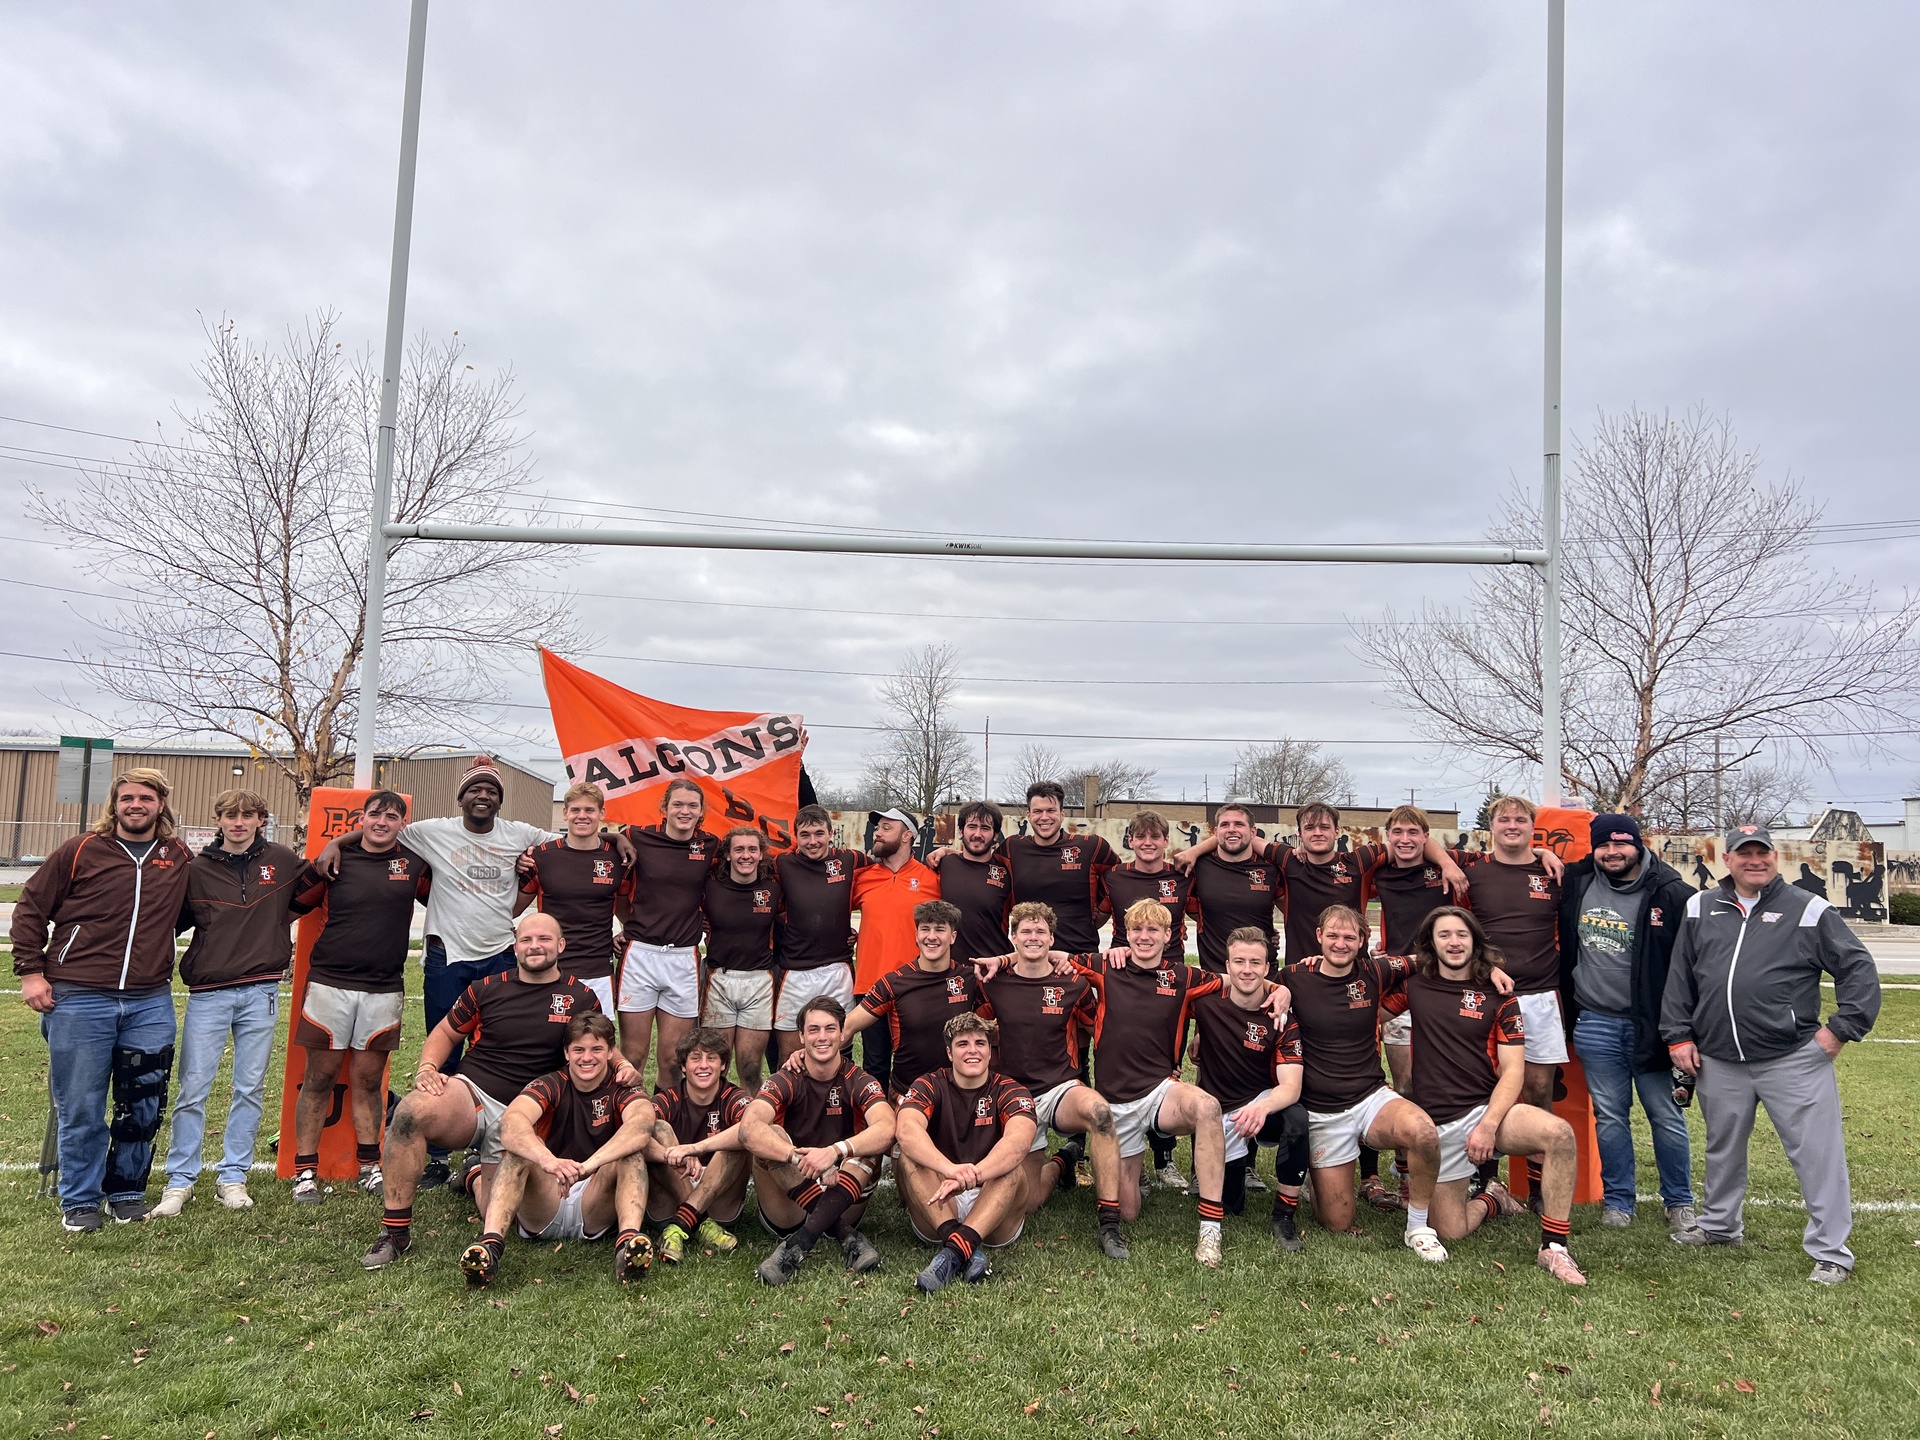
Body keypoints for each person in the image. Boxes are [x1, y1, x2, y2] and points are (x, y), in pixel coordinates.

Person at [316, 755, 579, 1189]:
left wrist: (618, 840)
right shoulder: (432, 831)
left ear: (499, 801)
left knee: (501, 1052)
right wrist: (336, 844)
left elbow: (569, 841)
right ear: (462, 797)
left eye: (492, 791)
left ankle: (495, 1142)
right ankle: (437, 1152)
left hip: (500, 956)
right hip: (447, 956)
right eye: (476, 789)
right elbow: (381, 831)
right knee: (446, 1051)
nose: (483, 796)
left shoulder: (520, 834)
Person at [1662, 824, 1882, 1284]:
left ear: (1775, 857)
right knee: (1721, 1149)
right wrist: (1678, 1035)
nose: (1754, 861)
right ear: (1728, 860)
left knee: (1817, 1154)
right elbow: (1681, 976)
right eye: (1744, 854)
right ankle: (1720, 1226)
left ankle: (1830, 1251)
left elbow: (1857, 968)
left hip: (1792, 1058)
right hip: (1719, 1058)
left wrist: (1841, 1029)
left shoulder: (1807, 908)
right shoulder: (1700, 907)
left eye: (1762, 853)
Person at [360, 910, 604, 1269]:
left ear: (561, 946)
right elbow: (445, 1032)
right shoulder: (487, 988)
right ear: (515, 945)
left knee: (502, 1213)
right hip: (476, 1092)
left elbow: (598, 1047)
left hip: (533, 1110)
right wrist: (428, 1067)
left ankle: (474, 1174)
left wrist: (624, 1067)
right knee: (412, 1113)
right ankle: (395, 1232)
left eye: (544, 939)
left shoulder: (581, 996)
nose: (534, 946)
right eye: (526, 939)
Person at [12, 769, 196, 1230]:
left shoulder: (177, 857)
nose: (137, 805)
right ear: (114, 804)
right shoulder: (79, 851)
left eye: (146, 798)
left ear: (161, 804)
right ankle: (80, 1200)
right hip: (78, 999)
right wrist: (31, 973)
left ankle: (127, 1191)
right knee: (82, 1105)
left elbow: (194, 913)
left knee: (144, 1103)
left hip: (149, 1002)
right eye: (127, 797)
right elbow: (31, 908)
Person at [1081, 900, 1287, 1267]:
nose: (1145, 936)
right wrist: (1000, 962)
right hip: (1115, 1102)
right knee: (1128, 1211)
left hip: (1161, 1092)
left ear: (1170, 935)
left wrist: (1280, 989)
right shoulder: (1104, 966)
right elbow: (1055, 958)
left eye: (1153, 930)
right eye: (1137, 929)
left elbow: (1239, 978)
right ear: (1126, 934)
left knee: (1206, 1107)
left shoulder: (1183, 976)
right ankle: (1121, 1166)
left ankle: (1210, 1228)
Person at [1404, 906, 1586, 1285]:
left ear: (1475, 942)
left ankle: (1554, 1248)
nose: (1454, 942)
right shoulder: (1413, 985)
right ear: (1430, 942)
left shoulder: (1501, 996)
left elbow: (1514, 1072)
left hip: (1489, 1113)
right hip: (1436, 1123)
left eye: (1462, 935)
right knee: (1450, 1229)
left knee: (1559, 1134)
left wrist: (1487, 1127)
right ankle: (1493, 1197)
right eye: (1444, 935)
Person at [155, 789, 310, 1217]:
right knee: (194, 1088)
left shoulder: (282, 860)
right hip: (209, 994)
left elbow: (322, 883)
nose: (238, 822)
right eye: (229, 815)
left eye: (247, 815)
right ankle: (180, 1180)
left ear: (261, 819)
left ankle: (233, 1177)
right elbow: (167, 920)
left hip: (260, 991)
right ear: (218, 820)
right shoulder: (196, 869)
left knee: (250, 1088)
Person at [1281, 904, 1450, 1263]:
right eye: (1333, 935)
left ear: (1362, 940)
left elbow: (1428, 959)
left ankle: (1418, 1226)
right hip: (1322, 1111)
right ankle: (1320, 1179)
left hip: (1370, 1097)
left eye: (1349, 937)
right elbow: (1248, 989)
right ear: (1318, 937)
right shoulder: (1293, 977)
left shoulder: (1375, 970)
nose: (1340, 943)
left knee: (1423, 1132)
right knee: (1338, 1223)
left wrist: (1490, 972)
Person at [285, 789, 431, 1203]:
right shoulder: (334, 861)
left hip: (384, 988)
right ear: (361, 819)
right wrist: (333, 845)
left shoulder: (414, 864)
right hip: (330, 983)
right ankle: (305, 1172)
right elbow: (292, 906)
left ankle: (369, 1166)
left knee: (368, 1081)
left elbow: (450, 900)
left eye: (391, 815)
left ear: (403, 822)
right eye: (374, 814)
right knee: (319, 1079)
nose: (382, 821)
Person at [1557, 812, 1698, 1230]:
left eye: (1621, 844)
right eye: (1604, 845)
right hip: (1596, 1022)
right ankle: (1619, 1202)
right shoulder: (1577, 881)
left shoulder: (1672, 893)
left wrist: (1684, 1029)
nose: (1613, 852)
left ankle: (1679, 1201)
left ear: (1638, 845)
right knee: (1611, 1116)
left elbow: (1693, 965)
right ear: (1593, 848)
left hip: (1654, 1027)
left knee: (1666, 1115)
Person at [974, 901, 1130, 1260]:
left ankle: (1109, 1223)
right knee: (1026, 1203)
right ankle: (1064, 1160)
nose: (1033, 937)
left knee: (1100, 1113)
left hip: (1060, 1088)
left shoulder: (1072, 982)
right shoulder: (994, 983)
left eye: (1040, 931)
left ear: (1051, 937)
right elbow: (977, 1029)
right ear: (1012, 938)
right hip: (1014, 1097)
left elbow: (1098, 1028)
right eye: (1025, 931)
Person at [459, 1012, 656, 1287]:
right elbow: (511, 1125)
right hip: (548, 1197)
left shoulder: (623, 1087)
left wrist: (588, 1166)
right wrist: (549, 1161)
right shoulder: (550, 1083)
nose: (587, 1058)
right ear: (566, 1053)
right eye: (579, 1049)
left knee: (631, 1153)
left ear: (611, 1052)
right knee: (520, 1153)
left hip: (594, 1200)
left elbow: (642, 1125)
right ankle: (490, 1248)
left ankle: (628, 1246)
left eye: (597, 1049)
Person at [741, 996, 896, 1285]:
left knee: (869, 1145)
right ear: (801, 1036)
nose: (821, 1037)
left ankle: (800, 1244)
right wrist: (799, 1158)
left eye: (829, 1028)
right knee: (769, 1135)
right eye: (813, 1030)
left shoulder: (858, 1079)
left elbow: (888, 1128)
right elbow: (748, 1129)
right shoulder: (787, 1077)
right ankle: (844, 1235)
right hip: (791, 1199)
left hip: (843, 1190)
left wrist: (835, 1152)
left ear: (842, 1033)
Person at [896, 1012, 1037, 1292]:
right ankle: (962, 1244)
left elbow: (1018, 1142)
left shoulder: (1010, 1089)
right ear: (949, 1052)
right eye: (963, 1044)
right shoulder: (928, 1084)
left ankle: (952, 1253)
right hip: (939, 1199)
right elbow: (907, 1131)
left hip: (992, 1199)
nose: (972, 1050)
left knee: (1011, 1169)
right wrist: (951, 1170)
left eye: (980, 1043)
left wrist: (972, 1176)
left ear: (989, 1051)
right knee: (908, 1156)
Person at [1190, 928, 1310, 1252]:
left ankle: (1284, 1215)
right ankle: (1230, 1174)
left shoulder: (1281, 1017)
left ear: (1268, 967)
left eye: (1255, 962)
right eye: (1239, 961)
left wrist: (1263, 1107)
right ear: (1226, 966)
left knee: (1296, 1121)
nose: (1247, 969)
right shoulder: (1205, 1002)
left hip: (1258, 1104)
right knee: (1230, 1206)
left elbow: (1291, 1087)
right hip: (1217, 1114)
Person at [934, 782, 1117, 955]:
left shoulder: (1091, 846)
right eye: (1037, 811)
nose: (1044, 817)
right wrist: (949, 853)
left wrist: (1102, 911)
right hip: (1030, 958)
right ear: (1028, 815)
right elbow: (980, 858)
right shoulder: (1013, 848)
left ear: (1062, 814)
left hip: (1079, 956)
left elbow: (1120, 876)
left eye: (1051, 810)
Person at [617, 778, 718, 1088]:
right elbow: (595, 845)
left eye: (692, 805)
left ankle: (665, 1123)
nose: (684, 811)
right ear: (664, 807)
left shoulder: (711, 845)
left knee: (674, 1058)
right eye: (678, 804)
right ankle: (627, 1122)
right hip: (640, 956)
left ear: (701, 812)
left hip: (683, 957)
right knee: (633, 1054)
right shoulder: (636, 836)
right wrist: (627, 925)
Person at [843, 900, 990, 1097]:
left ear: (953, 937)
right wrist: (810, 1054)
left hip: (958, 1095)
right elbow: (847, 1028)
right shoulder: (894, 983)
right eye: (925, 929)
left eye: (939, 929)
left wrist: (1005, 960)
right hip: (907, 1094)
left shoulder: (969, 978)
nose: (931, 937)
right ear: (916, 935)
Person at [848, 809, 942, 1091]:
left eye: (886, 827)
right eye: (878, 828)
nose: (877, 832)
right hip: (870, 986)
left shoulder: (932, 878)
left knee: (913, 1065)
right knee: (874, 1066)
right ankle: (877, 1130)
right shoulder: (862, 877)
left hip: (914, 987)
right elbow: (829, 908)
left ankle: (913, 1124)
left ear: (907, 836)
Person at [520, 781, 634, 1014]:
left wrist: (628, 932)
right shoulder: (541, 857)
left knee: (595, 1045)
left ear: (601, 813)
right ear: (565, 813)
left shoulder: (617, 859)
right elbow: (512, 908)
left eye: (589, 810)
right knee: (547, 1044)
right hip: (550, 967)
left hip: (598, 970)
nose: (582, 816)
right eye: (575, 810)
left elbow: (625, 912)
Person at [771, 805, 871, 1061]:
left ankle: (837, 1100)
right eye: (805, 835)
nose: (813, 841)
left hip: (837, 968)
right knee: (790, 1053)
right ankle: (789, 1100)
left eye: (819, 833)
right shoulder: (782, 863)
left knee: (840, 1050)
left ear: (830, 833)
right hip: (795, 970)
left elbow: (887, 872)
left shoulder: (850, 859)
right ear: (796, 837)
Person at [647, 1027, 752, 1262]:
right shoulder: (666, 1099)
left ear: (723, 1065)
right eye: (695, 1058)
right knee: (657, 1128)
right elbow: (633, 1136)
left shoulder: (735, 1097)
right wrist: (670, 1154)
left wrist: (695, 1148)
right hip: (672, 1189)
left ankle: (681, 1223)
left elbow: (755, 1129)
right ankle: (699, 1223)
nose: (703, 1065)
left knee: (741, 1137)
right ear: (683, 1066)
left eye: (711, 1058)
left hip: (720, 1198)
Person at [699, 826, 782, 1091]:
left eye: (752, 849)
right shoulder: (710, 887)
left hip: (759, 982)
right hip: (718, 979)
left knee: (750, 1068)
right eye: (738, 849)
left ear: (761, 855)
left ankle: (752, 1126)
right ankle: (715, 1124)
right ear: (727, 855)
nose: (745, 855)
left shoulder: (774, 889)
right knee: (715, 1065)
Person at [933, 801, 1014, 962]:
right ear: (961, 831)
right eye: (972, 826)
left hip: (993, 969)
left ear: (996, 834)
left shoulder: (1007, 873)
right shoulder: (942, 864)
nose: (978, 834)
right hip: (950, 970)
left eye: (985, 828)